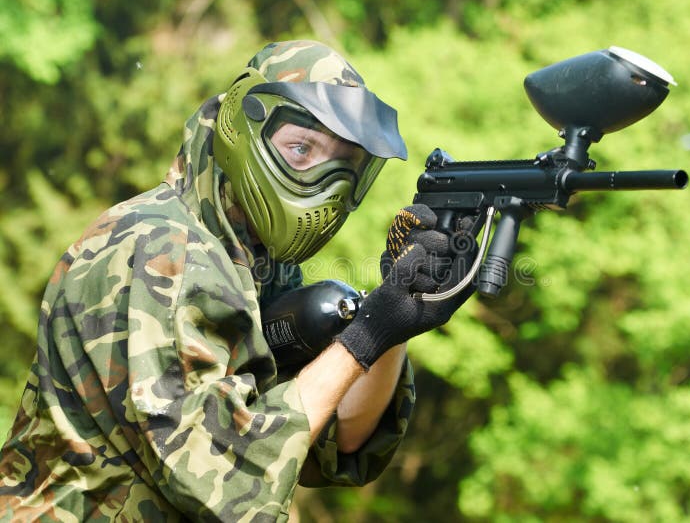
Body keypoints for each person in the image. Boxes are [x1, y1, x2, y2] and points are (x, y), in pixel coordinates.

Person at [0, 40, 471, 521]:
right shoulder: (159, 248)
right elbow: (217, 475)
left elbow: (337, 436)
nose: (323, 182)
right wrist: (368, 335)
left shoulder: (256, 266)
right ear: (240, 128)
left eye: (343, 166)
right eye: (301, 148)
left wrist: (396, 317)